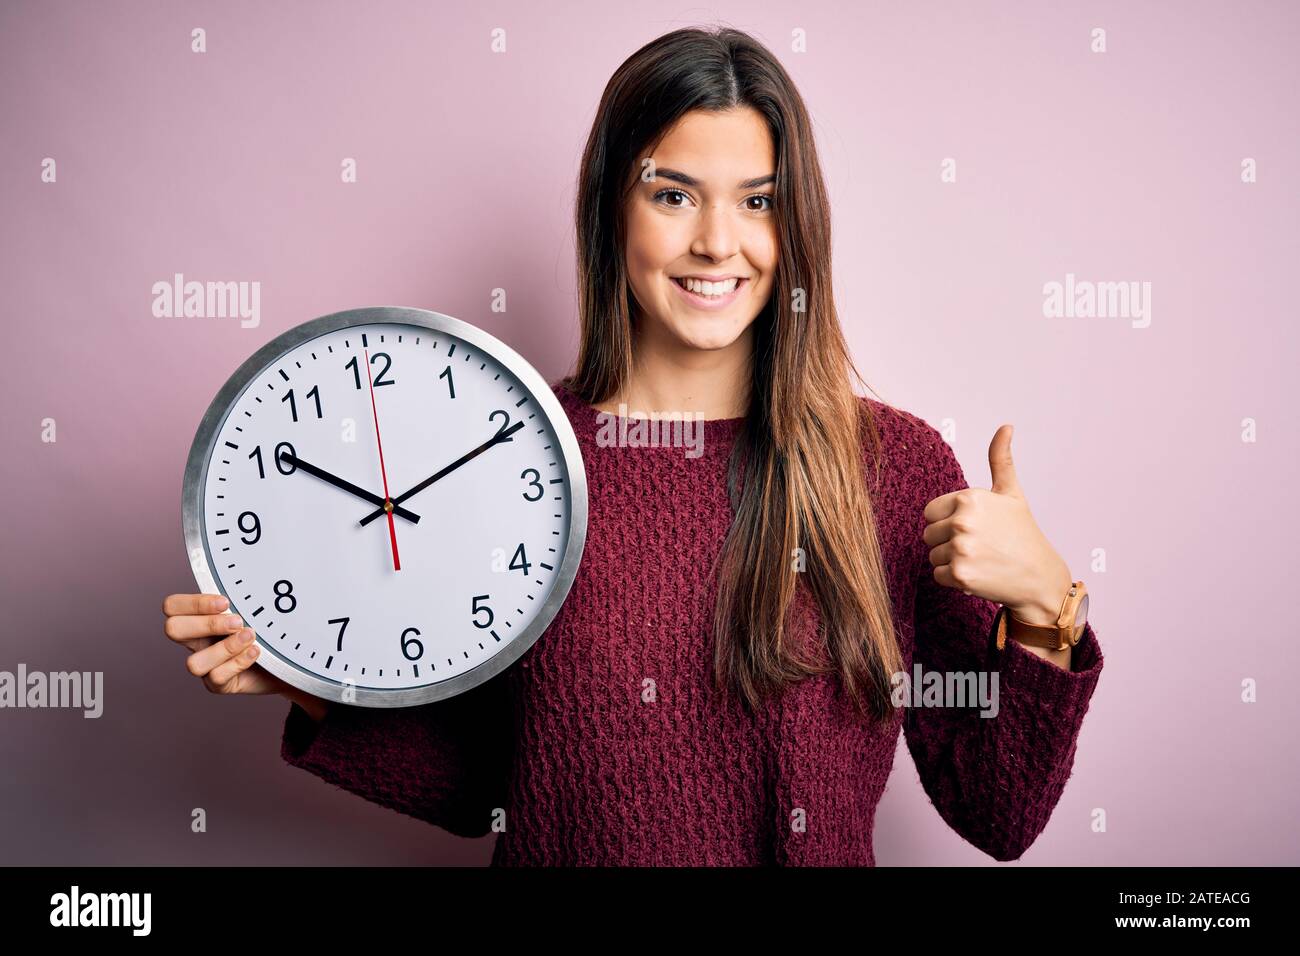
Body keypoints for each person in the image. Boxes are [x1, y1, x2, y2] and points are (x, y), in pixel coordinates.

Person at [162, 26, 1103, 866]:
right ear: (613, 208)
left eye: (758, 201)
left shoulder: (892, 471)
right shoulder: (504, 461)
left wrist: (1041, 609)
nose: (717, 242)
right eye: (673, 194)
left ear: (797, 223)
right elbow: (490, 788)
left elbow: (999, 813)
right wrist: (313, 689)